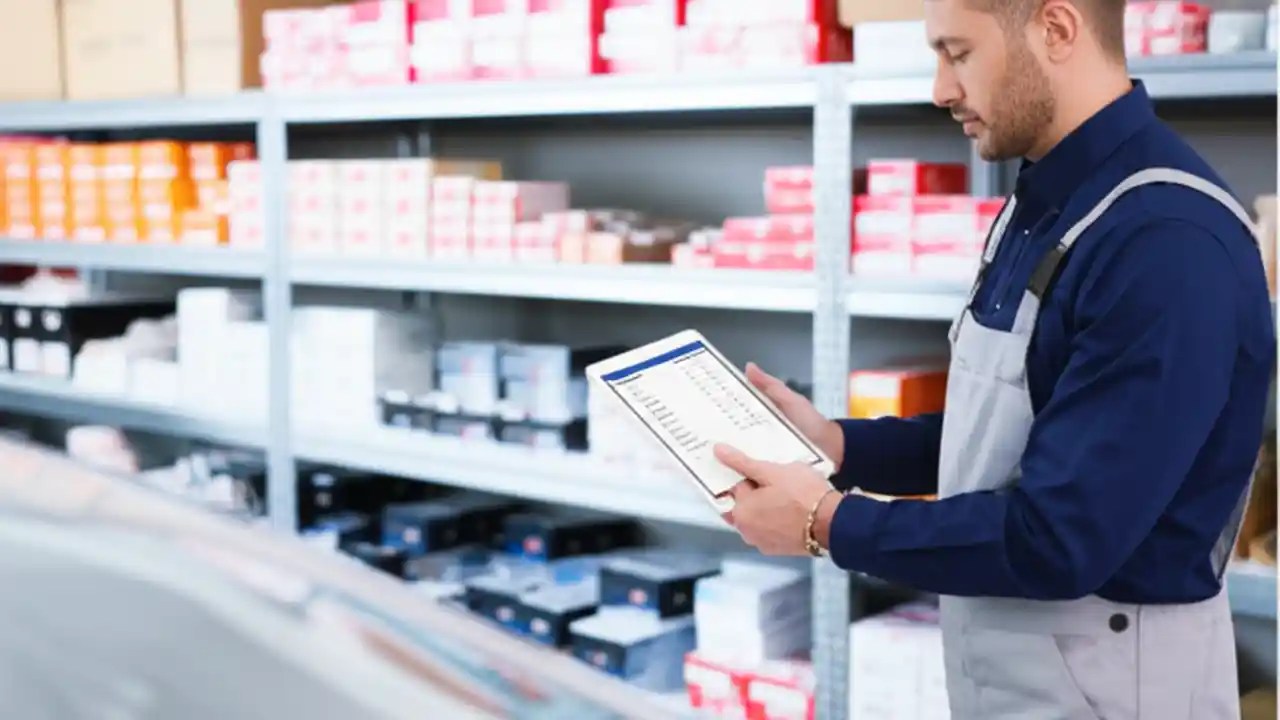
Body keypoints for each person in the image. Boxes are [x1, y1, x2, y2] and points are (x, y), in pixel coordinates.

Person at [714, 0, 1276, 717]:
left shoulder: (1163, 240)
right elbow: (1017, 434)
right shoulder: (1045, 202)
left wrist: (825, 522)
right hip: (1034, 673)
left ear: (1057, 28)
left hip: (1116, 688)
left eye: (958, 53)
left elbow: (1060, 536)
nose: (940, 89)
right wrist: (840, 445)